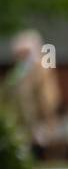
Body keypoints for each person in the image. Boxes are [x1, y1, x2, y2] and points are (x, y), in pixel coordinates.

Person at [4, 30, 62, 160]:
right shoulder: (16, 72)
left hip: (38, 124)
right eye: (18, 54)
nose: (21, 57)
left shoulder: (43, 70)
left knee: (39, 156)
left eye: (24, 53)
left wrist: (46, 122)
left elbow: (49, 98)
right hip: (19, 123)